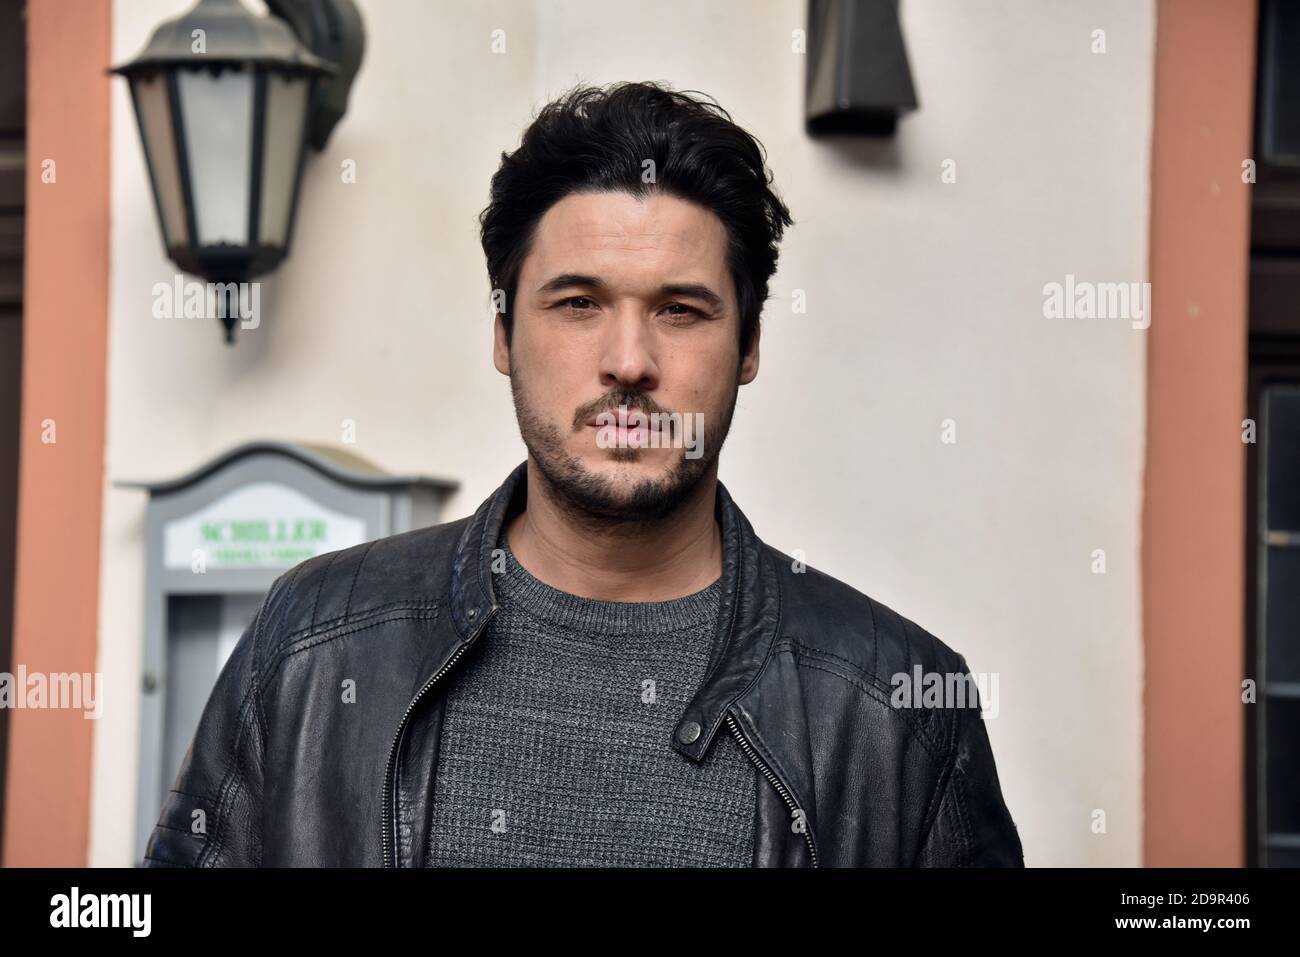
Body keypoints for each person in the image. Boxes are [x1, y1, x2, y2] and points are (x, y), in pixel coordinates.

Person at [144, 80, 1023, 868]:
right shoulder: (311, 644)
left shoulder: (897, 708)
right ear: (503, 335)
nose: (628, 361)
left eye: (681, 310)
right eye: (578, 303)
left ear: (749, 345)